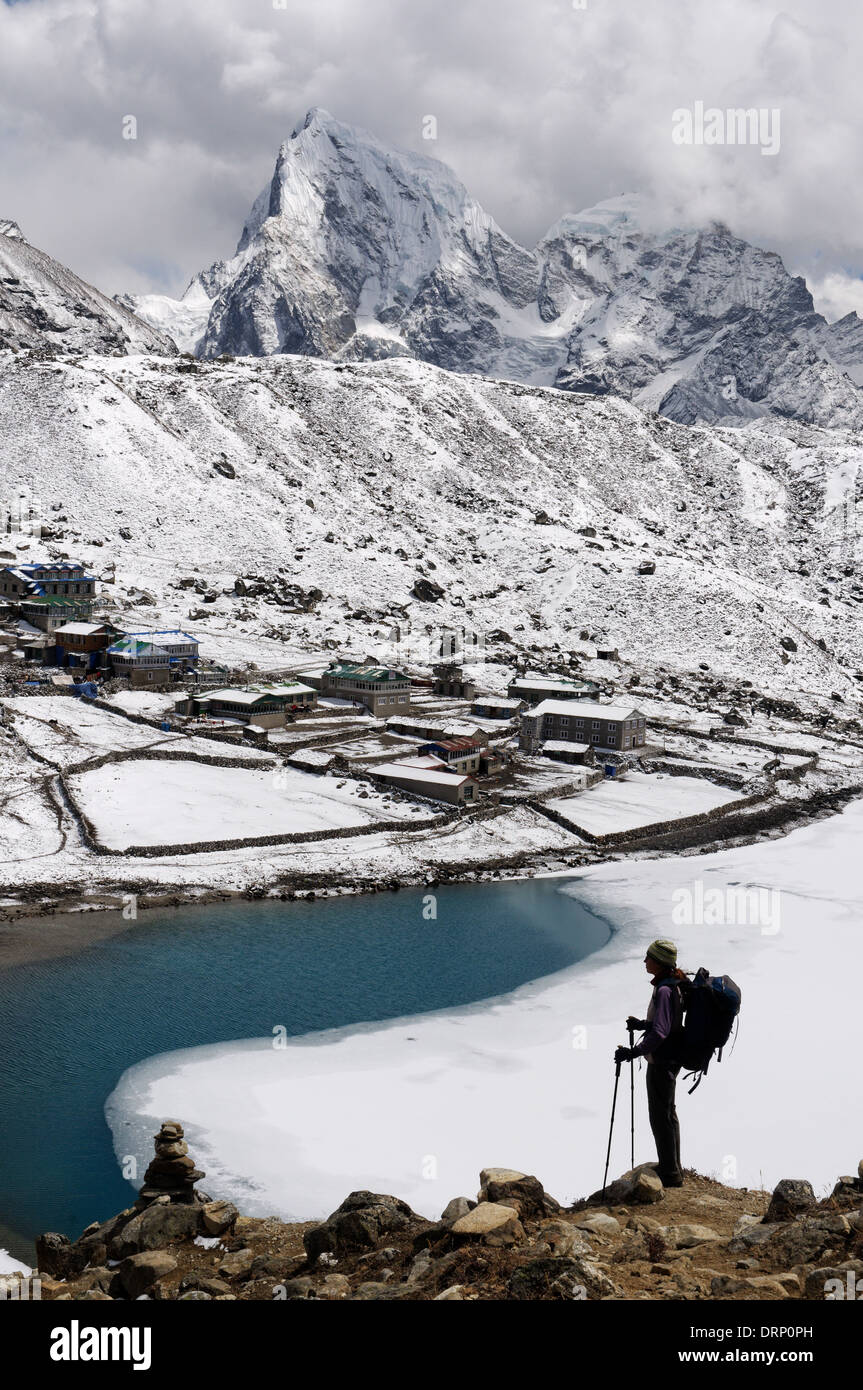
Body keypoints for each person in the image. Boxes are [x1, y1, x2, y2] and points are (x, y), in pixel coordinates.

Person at [615, 939, 686, 1188]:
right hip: (670, 1058)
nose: (645, 961)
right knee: (668, 1113)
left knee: (660, 1116)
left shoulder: (665, 990)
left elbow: (661, 1032)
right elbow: (664, 1024)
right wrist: (642, 1024)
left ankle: (670, 1172)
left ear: (659, 962)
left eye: (649, 957)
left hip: (663, 1060)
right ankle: (673, 1165)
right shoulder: (670, 986)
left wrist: (633, 1053)